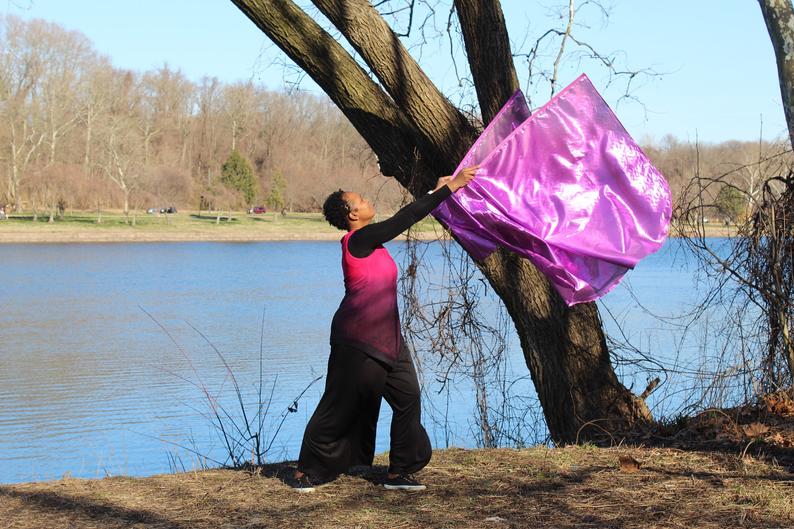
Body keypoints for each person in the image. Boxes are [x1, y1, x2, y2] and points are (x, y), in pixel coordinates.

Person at [290, 166, 478, 493]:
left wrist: (437, 192)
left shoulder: (372, 244)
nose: (366, 200)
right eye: (360, 200)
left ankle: (399, 472)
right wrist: (450, 190)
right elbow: (403, 220)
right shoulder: (358, 240)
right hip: (358, 339)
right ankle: (307, 470)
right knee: (341, 404)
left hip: (388, 337)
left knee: (408, 397)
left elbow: (407, 216)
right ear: (351, 215)